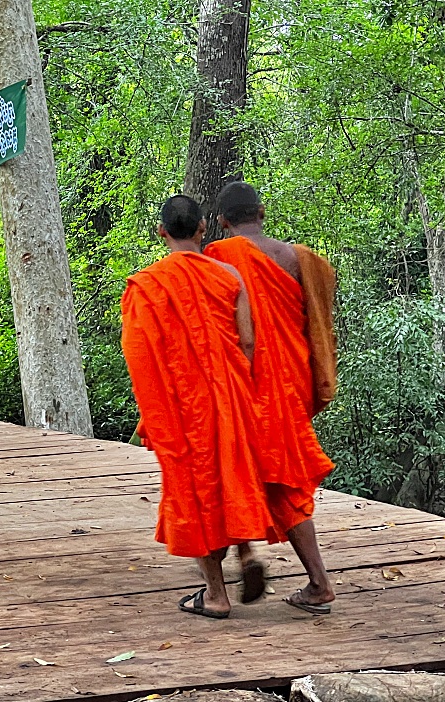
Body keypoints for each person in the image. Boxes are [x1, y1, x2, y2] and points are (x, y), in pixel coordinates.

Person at [121, 194, 274, 619]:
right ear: (204, 228)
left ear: (162, 233)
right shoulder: (228, 276)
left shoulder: (146, 286)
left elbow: (139, 354)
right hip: (228, 395)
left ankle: (216, 595)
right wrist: (236, 386)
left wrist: (155, 410)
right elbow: (247, 342)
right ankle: (246, 553)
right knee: (233, 477)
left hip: (183, 405)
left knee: (196, 493)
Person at [205, 181, 338, 615]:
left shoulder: (219, 258)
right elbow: (315, 315)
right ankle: (317, 583)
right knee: (287, 482)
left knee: (231, 473)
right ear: (261, 212)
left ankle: (238, 562)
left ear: (223, 222)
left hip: (244, 383)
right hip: (290, 386)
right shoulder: (300, 259)